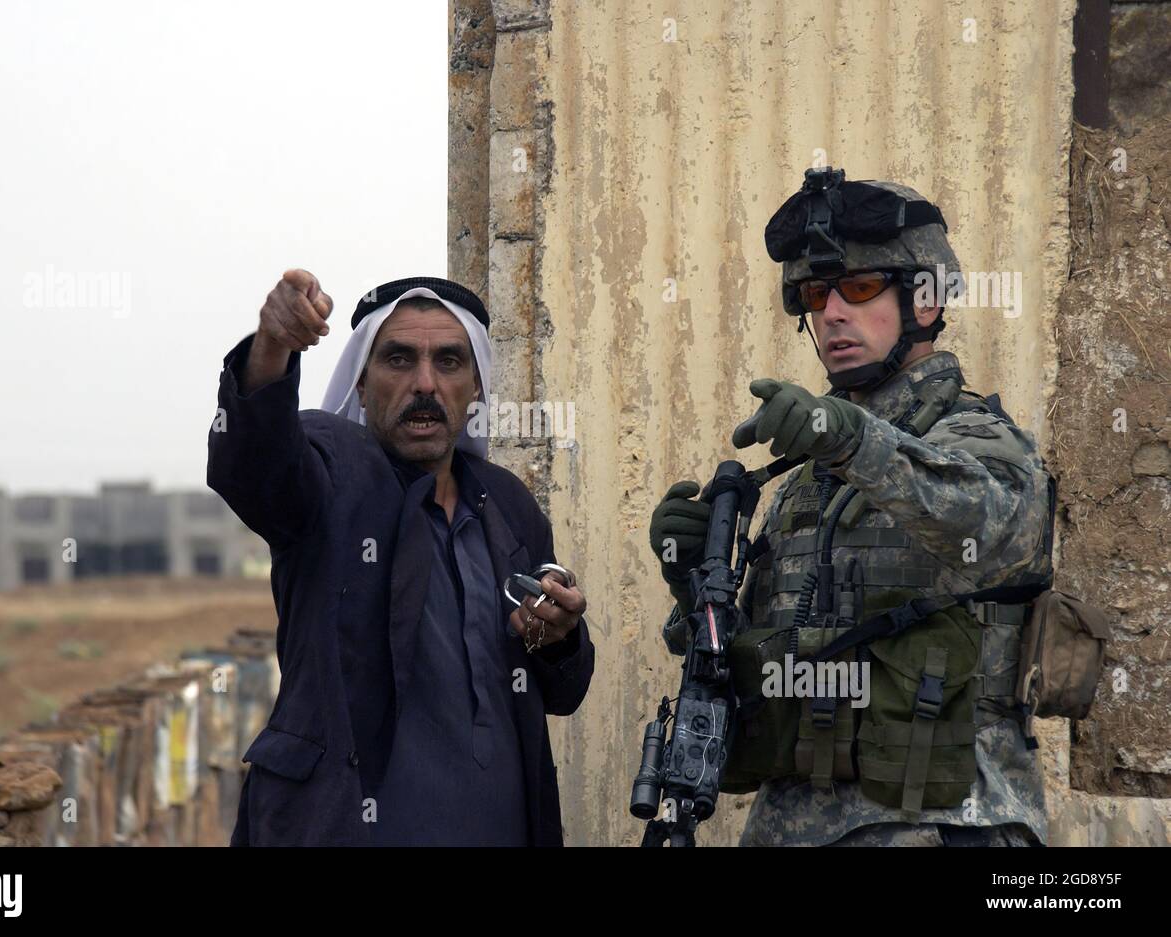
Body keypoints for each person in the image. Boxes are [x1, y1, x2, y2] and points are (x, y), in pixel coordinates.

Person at [649, 169, 1053, 846]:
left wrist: (850, 439)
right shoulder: (806, 481)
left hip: (941, 822)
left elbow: (996, 522)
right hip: (792, 826)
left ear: (924, 301)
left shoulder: (975, 438)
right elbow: (733, 660)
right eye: (816, 294)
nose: (832, 311)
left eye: (860, 288)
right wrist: (691, 579)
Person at [210, 271, 594, 845]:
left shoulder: (508, 507)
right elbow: (255, 464)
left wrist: (556, 634)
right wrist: (272, 347)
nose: (424, 384)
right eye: (398, 359)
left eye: (448, 361)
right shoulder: (329, 472)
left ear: (476, 385)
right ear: (362, 383)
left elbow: (562, 692)